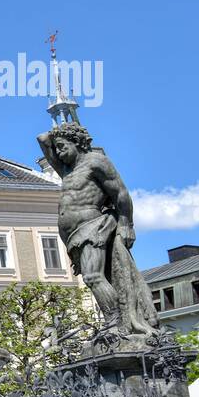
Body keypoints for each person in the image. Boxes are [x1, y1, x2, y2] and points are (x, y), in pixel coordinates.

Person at [37, 123, 158, 340]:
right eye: (58, 148)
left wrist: (126, 224)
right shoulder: (66, 169)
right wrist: (57, 137)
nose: (59, 152)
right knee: (94, 278)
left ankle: (116, 322)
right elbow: (42, 139)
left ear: (77, 143)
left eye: (63, 147)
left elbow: (120, 193)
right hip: (74, 235)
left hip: (92, 227)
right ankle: (114, 321)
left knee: (94, 276)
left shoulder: (96, 162)